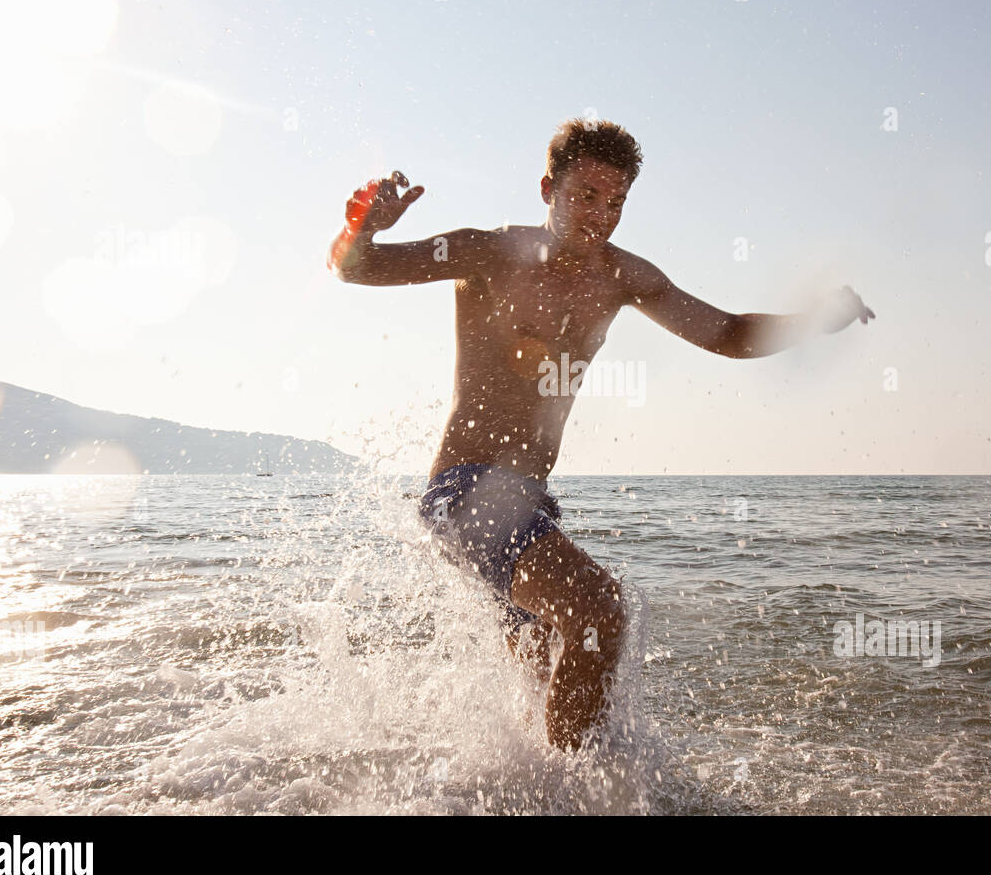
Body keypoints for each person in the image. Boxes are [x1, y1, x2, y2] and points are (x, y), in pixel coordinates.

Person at [327, 119, 875, 751]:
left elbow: (725, 333)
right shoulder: (486, 252)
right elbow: (357, 269)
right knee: (599, 611)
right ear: (547, 189)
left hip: (529, 503)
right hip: (466, 492)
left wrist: (812, 322)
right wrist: (362, 227)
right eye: (586, 196)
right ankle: (577, 798)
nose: (601, 215)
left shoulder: (623, 278)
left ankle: (525, 789)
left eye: (615, 202)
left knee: (543, 681)